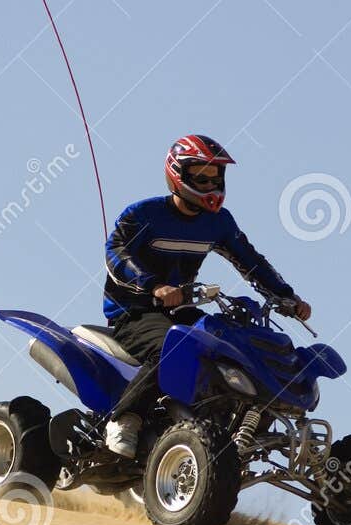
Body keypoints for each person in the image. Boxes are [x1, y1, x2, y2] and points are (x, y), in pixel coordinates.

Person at [101, 134, 312, 455]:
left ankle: (225, 423)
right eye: (201, 176)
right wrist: (153, 285)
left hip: (181, 311)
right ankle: (125, 419)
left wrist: (287, 296)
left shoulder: (218, 223)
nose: (210, 183)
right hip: (133, 312)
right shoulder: (143, 215)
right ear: (178, 174)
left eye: (215, 176)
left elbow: (251, 261)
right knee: (174, 347)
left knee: (232, 346)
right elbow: (116, 253)